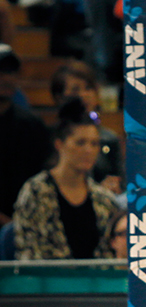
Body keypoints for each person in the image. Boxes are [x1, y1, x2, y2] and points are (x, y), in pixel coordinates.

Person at [13, 97, 120, 260]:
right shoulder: (35, 192)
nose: (88, 150)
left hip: (97, 283)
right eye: (80, 142)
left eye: (94, 143)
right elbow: (28, 254)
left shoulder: (104, 199)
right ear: (59, 144)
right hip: (49, 283)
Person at [50, 60, 123, 194]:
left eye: (89, 88)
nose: (84, 95)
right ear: (59, 97)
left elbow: (119, 179)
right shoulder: (45, 135)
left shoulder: (109, 138)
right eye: (75, 89)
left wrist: (113, 186)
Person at [0, 43, 53, 227]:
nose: (6, 79)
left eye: (11, 72)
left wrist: (20, 221)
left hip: (27, 223)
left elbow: (43, 177)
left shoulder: (32, 125)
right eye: (1, 72)